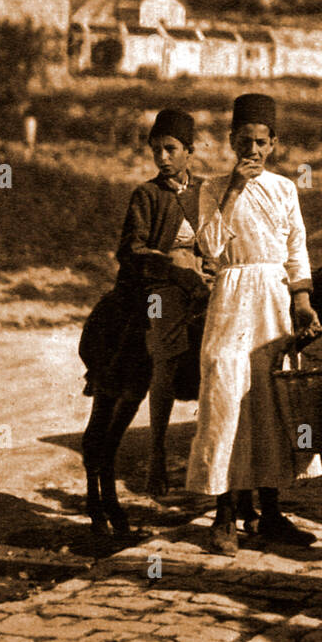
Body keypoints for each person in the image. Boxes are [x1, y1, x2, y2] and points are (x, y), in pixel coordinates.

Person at [186, 93, 322, 555]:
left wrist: (301, 300)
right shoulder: (210, 189)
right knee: (226, 398)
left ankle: (272, 514)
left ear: (274, 143)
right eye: (245, 142)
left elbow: (296, 247)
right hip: (230, 299)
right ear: (230, 141)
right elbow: (208, 249)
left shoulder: (285, 189)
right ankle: (223, 516)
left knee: (271, 403)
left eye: (262, 143)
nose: (254, 151)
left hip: (274, 300)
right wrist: (233, 191)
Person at [79, 108, 209, 536]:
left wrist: (208, 269)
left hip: (199, 288)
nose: (163, 158)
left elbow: (217, 240)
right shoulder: (145, 195)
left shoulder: (206, 194)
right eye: (157, 151)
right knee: (152, 348)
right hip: (152, 291)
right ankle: (132, 471)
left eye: (171, 149)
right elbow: (131, 249)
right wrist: (172, 268)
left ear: (190, 152)